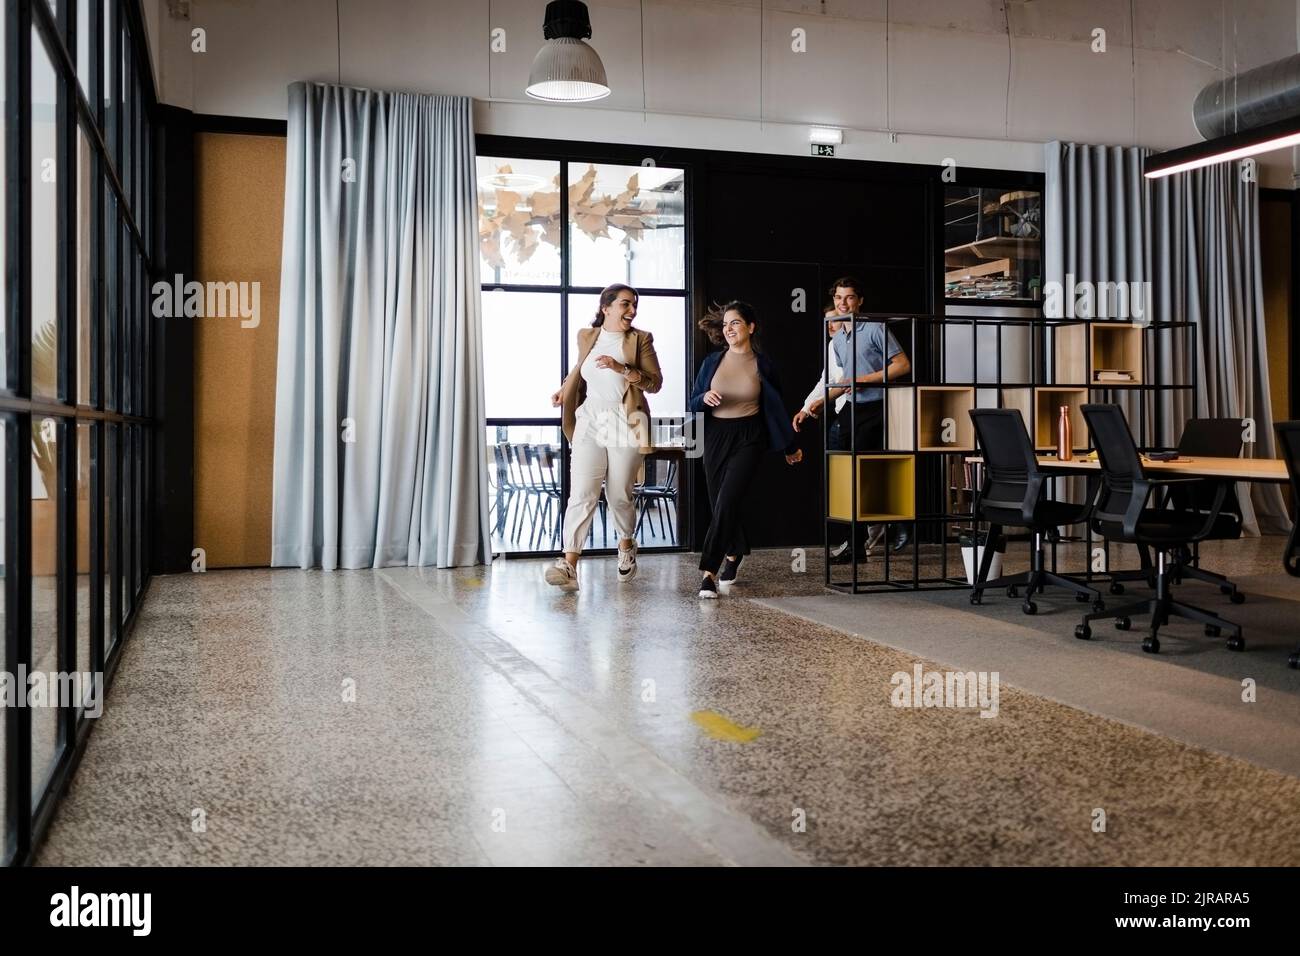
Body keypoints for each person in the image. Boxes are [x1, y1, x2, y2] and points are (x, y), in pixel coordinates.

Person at [545, 284, 662, 591]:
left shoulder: (640, 340)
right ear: (606, 308)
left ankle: (626, 544)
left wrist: (622, 368)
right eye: (625, 304)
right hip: (590, 416)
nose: (632, 310)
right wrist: (565, 388)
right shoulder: (587, 336)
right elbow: (579, 367)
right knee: (582, 491)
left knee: (619, 493)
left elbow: (655, 383)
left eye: (634, 305)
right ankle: (569, 563)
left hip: (624, 418)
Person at [690, 301, 803, 599]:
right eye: (726, 324)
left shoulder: (763, 364)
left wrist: (790, 446)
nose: (728, 329)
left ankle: (708, 574)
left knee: (727, 500)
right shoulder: (711, 362)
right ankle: (735, 550)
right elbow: (692, 402)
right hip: (716, 436)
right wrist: (705, 397)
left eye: (735, 323)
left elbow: (776, 409)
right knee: (720, 503)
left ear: (750, 327)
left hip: (749, 436)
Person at [793, 277, 911, 560]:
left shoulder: (874, 328)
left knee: (866, 473)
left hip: (878, 407)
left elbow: (903, 365)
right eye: (838, 298)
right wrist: (815, 406)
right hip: (852, 407)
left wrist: (864, 379)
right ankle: (856, 543)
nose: (843, 303)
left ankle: (891, 523)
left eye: (848, 298)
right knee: (845, 473)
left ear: (859, 301)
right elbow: (838, 381)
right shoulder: (838, 340)